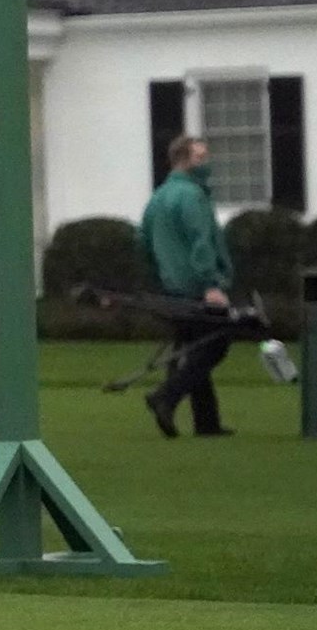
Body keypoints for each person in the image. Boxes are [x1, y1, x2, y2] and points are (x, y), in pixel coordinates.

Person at [139, 135, 236, 439]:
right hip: (196, 287)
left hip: (171, 287)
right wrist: (211, 284)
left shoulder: (158, 197)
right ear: (183, 159)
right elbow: (201, 243)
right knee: (215, 344)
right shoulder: (193, 197)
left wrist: (159, 277)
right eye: (200, 158)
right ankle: (165, 397)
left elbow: (143, 243)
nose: (206, 164)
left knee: (194, 348)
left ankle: (207, 422)